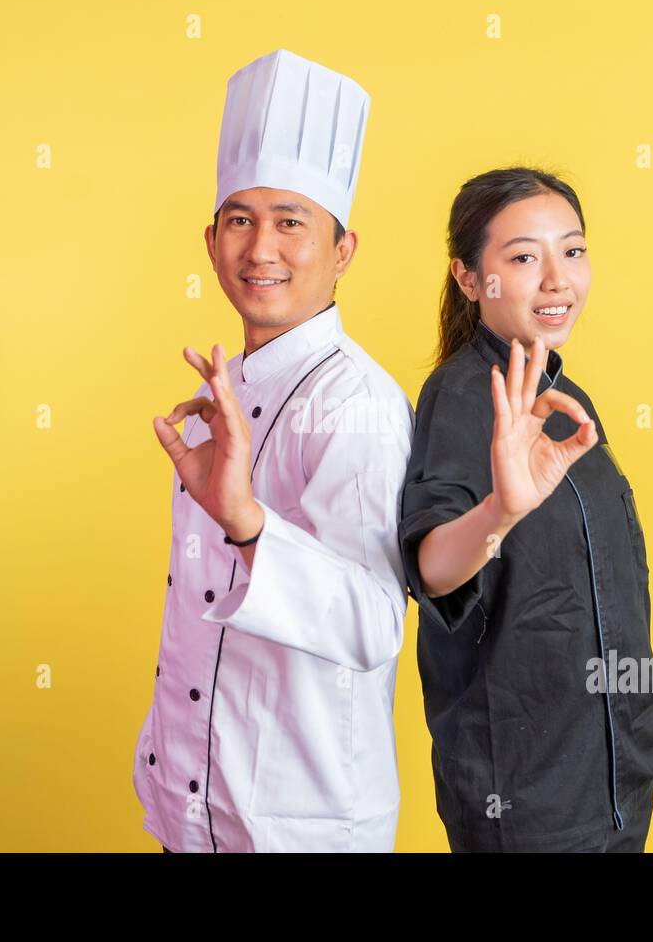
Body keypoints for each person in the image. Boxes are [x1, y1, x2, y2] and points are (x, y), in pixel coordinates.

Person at [132, 48, 414, 853]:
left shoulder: (354, 403)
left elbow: (372, 623)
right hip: (193, 812)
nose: (262, 248)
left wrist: (249, 522)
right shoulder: (220, 402)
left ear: (343, 249)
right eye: (240, 219)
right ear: (211, 239)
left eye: (291, 221)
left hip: (300, 829)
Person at [399, 166, 653, 852]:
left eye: (573, 250)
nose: (558, 279)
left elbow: (590, 568)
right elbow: (431, 570)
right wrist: (499, 509)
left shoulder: (562, 390)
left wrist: (624, 679)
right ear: (468, 279)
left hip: (610, 767)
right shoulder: (465, 399)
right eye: (524, 257)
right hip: (524, 795)